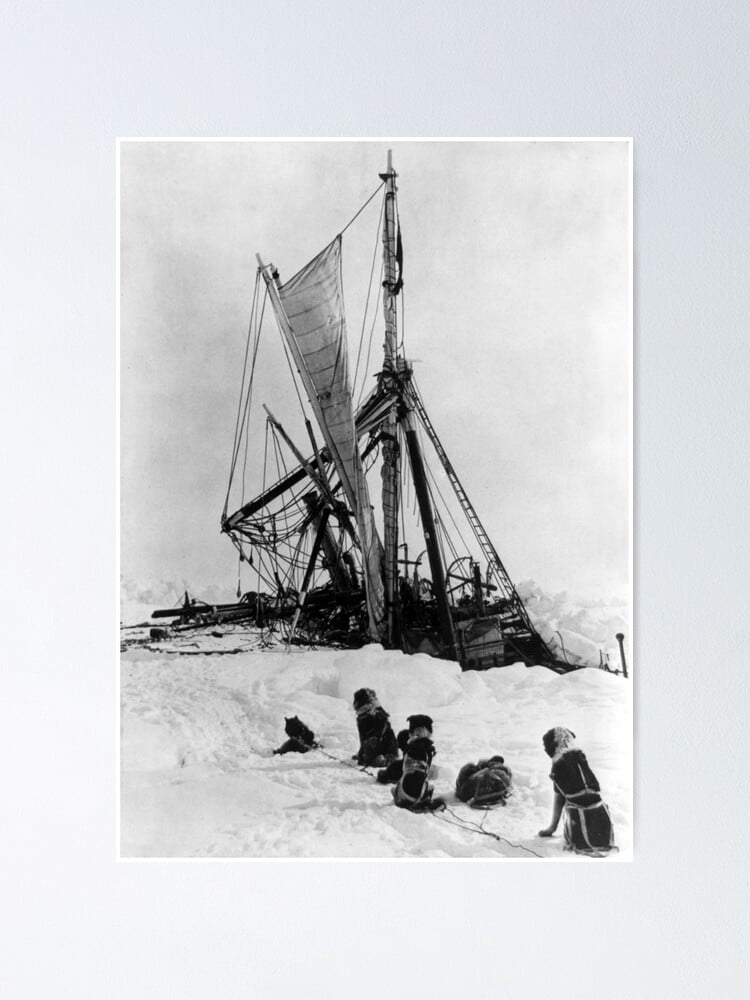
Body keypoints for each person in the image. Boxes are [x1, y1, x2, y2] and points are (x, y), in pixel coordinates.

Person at [538, 727, 616, 855]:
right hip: (601, 823)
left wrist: (552, 828)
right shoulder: (581, 758)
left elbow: (559, 800)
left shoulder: (558, 765)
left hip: (580, 826)